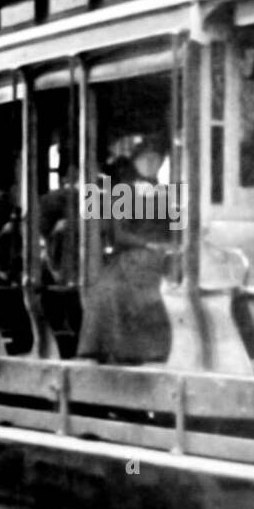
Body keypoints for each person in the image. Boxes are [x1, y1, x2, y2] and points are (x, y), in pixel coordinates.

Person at [77, 137, 173, 364]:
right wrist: (148, 245)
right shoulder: (122, 192)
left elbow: (176, 228)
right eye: (145, 158)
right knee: (121, 287)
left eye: (156, 158)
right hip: (133, 253)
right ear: (136, 162)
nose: (151, 163)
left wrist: (173, 245)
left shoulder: (168, 193)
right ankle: (136, 350)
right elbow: (119, 236)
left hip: (165, 251)